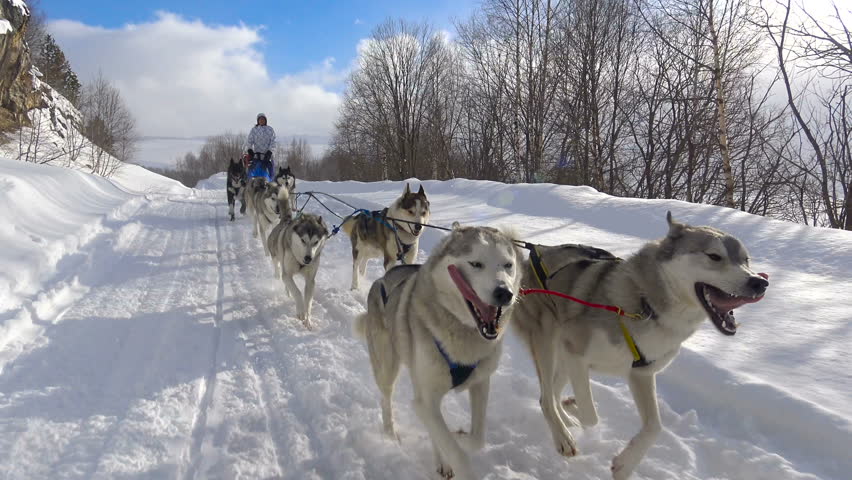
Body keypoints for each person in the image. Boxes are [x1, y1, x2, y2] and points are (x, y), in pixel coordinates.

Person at [245, 112, 276, 180]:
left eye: (263, 119)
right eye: (260, 119)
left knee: (271, 172)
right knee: (250, 172)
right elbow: (249, 141)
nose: (262, 121)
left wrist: (270, 152)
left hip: (267, 156)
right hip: (256, 156)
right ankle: (249, 186)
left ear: (265, 120)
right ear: (258, 121)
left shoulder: (270, 130)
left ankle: (272, 186)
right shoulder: (254, 130)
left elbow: (273, 142)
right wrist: (250, 150)